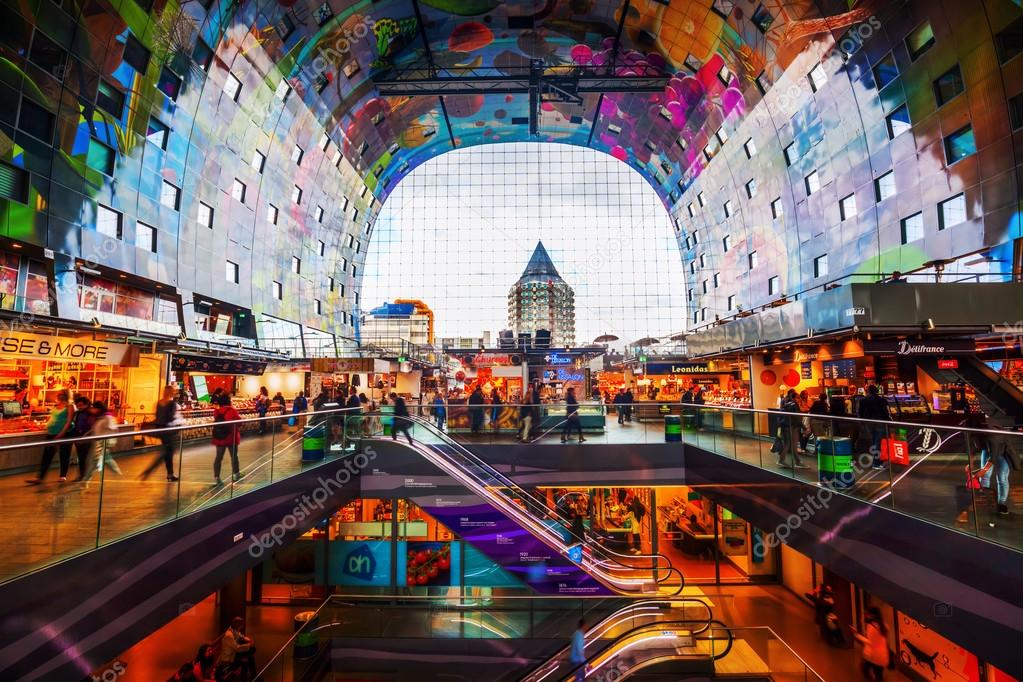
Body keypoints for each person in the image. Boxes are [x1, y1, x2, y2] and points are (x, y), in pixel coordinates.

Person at [27, 390, 73, 484]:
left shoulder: (69, 406)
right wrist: (46, 425)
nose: (59, 395)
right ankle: (40, 477)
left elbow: (69, 421)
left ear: (66, 395)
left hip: (64, 434)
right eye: (59, 394)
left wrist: (61, 433)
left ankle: (63, 476)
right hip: (51, 433)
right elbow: (52, 417)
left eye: (61, 394)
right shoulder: (56, 405)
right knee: (47, 455)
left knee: (64, 454)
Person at [142, 385, 181, 482]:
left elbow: (158, 417)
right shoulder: (172, 404)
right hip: (169, 431)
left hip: (160, 429)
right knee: (168, 453)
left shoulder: (159, 403)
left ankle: (169, 474)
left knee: (167, 452)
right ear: (171, 392)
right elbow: (170, 417)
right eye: (173, 391)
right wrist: (179, 420)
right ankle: (150, 470)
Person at [983, 417, 1019, 516]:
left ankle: (1001, 504)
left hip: (1003, 452)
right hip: (989, 448)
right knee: (986, 476)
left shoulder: (992, 435)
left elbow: (993, 458)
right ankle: (986, 502)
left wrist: (982, 471)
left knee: (1002, 477)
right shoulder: (979, 428)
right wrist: (972, 460)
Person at [84, 401, 122, 480]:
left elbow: (113, 429)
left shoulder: (108, 417)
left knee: (93, 460)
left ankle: (86, 479)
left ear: (98, 408)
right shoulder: (100, 417)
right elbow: (95, 429)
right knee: (105, 458)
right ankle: (117, 472)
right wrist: (86, 435)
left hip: (102, 442)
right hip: (97, 442)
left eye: (93, 408)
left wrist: (109, 441)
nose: (92, 410)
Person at [858, 385, 891, 470]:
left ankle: (873, 461)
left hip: (868, 423)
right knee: (878, 442)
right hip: (879, 422)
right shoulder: (882, 400)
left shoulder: (863, 400)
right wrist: (888, 420)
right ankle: (876, 463)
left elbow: (860, 412)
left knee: (873, 441)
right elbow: (885, 412)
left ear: (868, 391)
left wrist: (862, 422)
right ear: (877, 391)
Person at [212, 395, 242, 485]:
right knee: (234, 456)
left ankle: (217, 477)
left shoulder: (216, 411)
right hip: (231, 436)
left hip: (219, 437)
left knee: (218, 457)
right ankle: (236, 474)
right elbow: (239, 422)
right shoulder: (232, 410)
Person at [853, 606, 890, 680]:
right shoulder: (884, 625)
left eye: (867, 613)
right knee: (878, 674)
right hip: (883, 655)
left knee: (865, 670)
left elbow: (869, 641)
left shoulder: (871, 626)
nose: (865, 615)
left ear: (872, 615)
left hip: (874, 655)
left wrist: (856, 634)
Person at [217, 616, 257, 681]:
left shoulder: (234, 631)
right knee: (252, 650)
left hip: (233, 656)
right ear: (237, 625)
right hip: (228, 659)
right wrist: (249, 645)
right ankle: (253, 677)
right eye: (241, 626)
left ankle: (253, 677)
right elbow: (237, 648)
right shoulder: (229, 635)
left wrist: (249, 641)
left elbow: (241, 636)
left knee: (249, 658)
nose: (241, 627)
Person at [69, 395, 96, 480]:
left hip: (86, 437)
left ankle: (83, 475)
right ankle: (82, 475)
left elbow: (92, 426)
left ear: (86, 404)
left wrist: (85, 435)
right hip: (78, 436)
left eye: (81, 405)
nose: (79, 407)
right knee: (81, 457)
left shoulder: (90, 413)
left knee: (84, 457)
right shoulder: (78, 413)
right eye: (77, 405)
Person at [779, 389, 807, 468]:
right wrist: (803, 427)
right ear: (794, 398)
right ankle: (796, 462)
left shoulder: (787, 404)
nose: (799, 399)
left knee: (788, 444)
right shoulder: (795, 405)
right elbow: (797, 417)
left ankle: (786, 461)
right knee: (792, 444)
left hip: (785, 426)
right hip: (792, 426)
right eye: (797, 397)